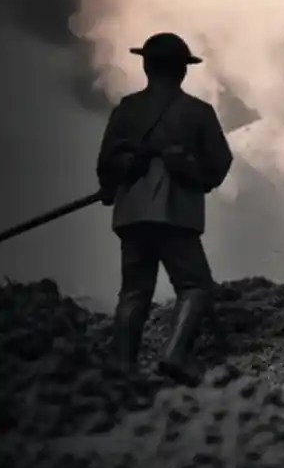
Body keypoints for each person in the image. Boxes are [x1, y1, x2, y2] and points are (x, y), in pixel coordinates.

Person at [96, 32, 233, 384]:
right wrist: (195, 174)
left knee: (134, 290)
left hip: (131, 215)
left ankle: (122, 365)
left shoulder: (127, 109)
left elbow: (105, 165)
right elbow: (219, 162)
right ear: (182, 71)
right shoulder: (197, 112)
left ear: (146, 66)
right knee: (195, 287)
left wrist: (122, 173)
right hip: (176, 213)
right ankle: (175, 356)